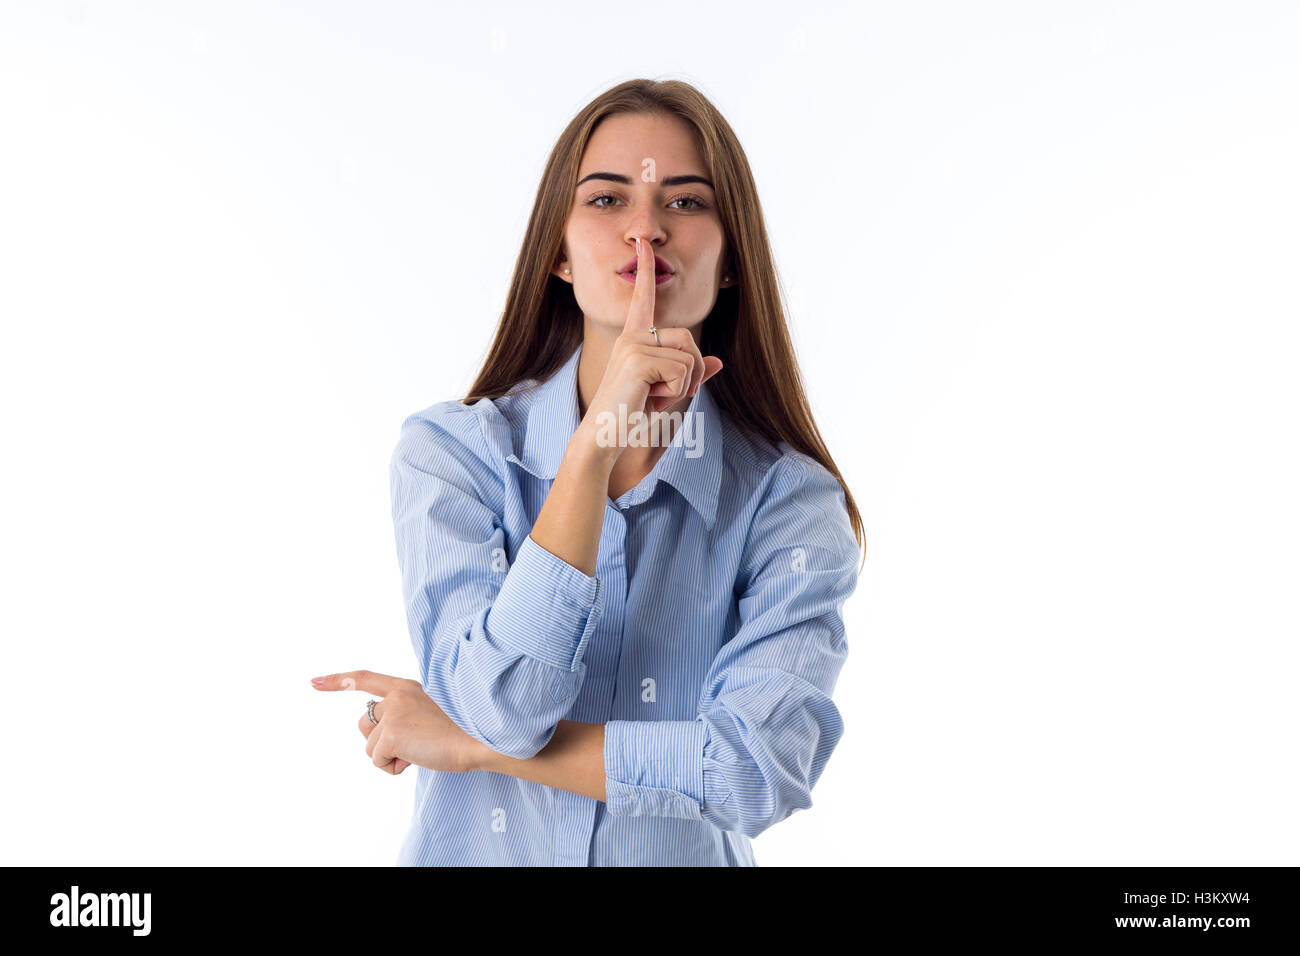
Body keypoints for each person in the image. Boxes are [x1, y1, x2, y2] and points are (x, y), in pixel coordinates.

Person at [312, 78, 865, 866]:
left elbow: (752, 772)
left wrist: (471, 749)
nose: (646, 232)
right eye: (607, 201)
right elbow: (504, 704)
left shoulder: (791, 502)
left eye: (685, 203)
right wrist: (592, 447)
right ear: (560, 256)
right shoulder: (451, 456)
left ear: (732, 258)